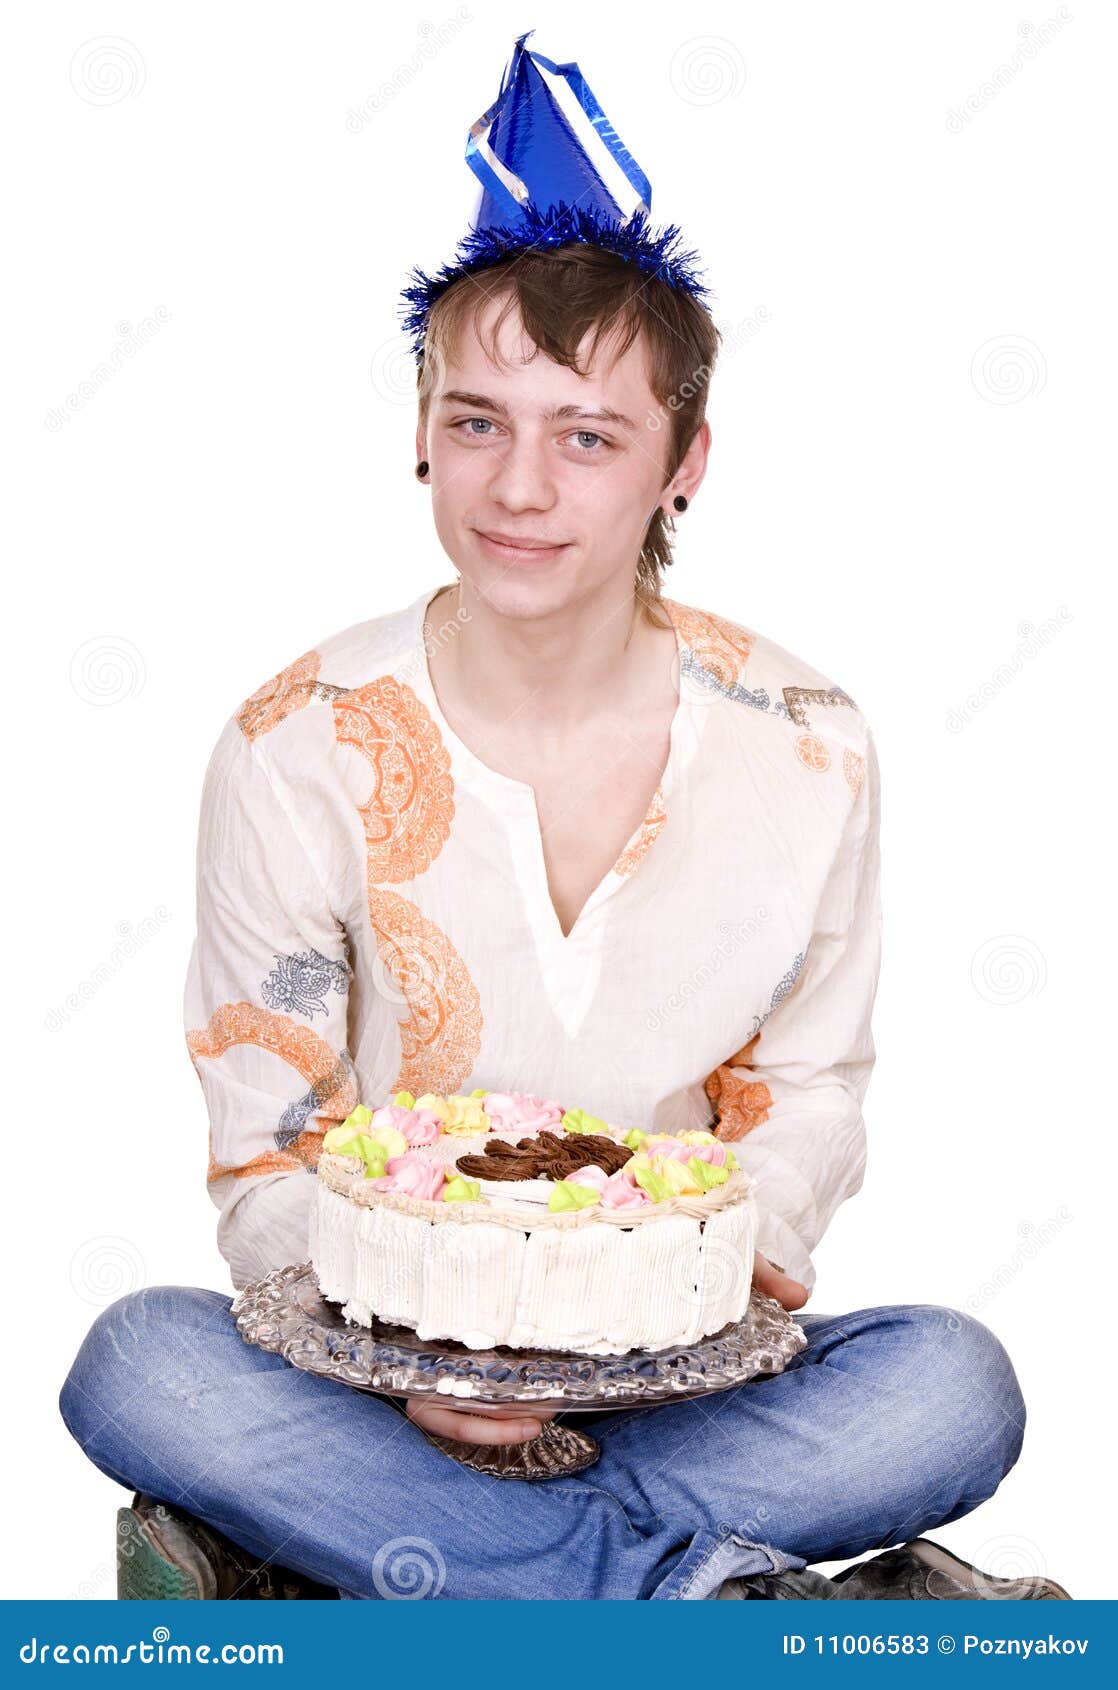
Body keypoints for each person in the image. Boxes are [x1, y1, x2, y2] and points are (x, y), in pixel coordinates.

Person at [59, 35, 1064, 1602]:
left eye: (586, 435)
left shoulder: (807, 748)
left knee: (951, 1382)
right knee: (143, 1366)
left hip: (683, 1376)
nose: (519, 484)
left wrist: (643, 1331)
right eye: (476, 422)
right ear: (418, 433)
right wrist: (410, 1364)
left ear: (683, 464)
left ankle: (383, 1564)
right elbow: (265, 1149)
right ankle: (698, 1594)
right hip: (374, 1381)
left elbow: (804, 1096)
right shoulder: (293, 745)